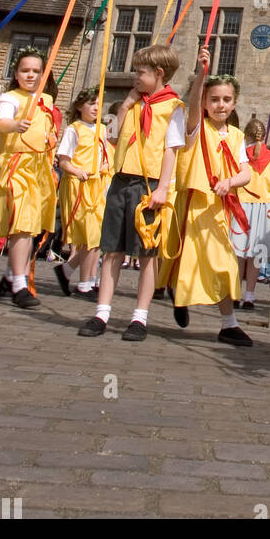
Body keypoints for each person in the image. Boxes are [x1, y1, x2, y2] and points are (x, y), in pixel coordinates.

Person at [78, 44, 184, 340]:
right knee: (112, 248)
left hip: (148, 186)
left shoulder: (173, 107)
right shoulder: (133, 103)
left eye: (140, 72)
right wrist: (125, 105)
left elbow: (170, 151)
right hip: (121, 181)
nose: (134, 76)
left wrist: (163, 187)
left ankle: (140, 317)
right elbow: (112, 136)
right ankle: (102, 312)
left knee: (147, 253)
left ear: (159, 74)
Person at [159, 52, 254, 345]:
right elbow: (192, 103)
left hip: (219, 209)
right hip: (194, 203)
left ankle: (221, 319)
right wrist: (202, 73)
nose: (220, 105)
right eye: (214, 100)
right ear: (204, 103)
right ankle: (227, 322)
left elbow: (246, 173)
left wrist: (229, 181)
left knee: (223, 263)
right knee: (199, 259)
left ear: (234, 103)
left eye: (226, 99)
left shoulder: (237, 136)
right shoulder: (197, 128)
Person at [0, 47, 58, 308]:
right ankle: (19, 284)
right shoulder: (11, 98)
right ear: (16, 73)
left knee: (30, 227)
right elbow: (1, 122)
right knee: (22, 225)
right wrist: (14, 125)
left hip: (37, 168)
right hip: (15, 167)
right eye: (25, 70)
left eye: (36, 71)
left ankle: (9, 278)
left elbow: (45, 130)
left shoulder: (45, 100)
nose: (30, 75)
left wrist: (51, 140)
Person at [54, 87, 111, 298]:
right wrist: (78, 171)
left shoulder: (102, 130)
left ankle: (69, 271)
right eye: (91, 103)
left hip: (97, 188)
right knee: (90, 236)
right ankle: (84, 284)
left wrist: (104, 165)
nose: (96, 107)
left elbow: (103, 156)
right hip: (79, 187)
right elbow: (64, 161)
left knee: (97, 237)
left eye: (98, 103)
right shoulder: (73, 129)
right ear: (80, 107)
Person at [231, 116, 270, 309]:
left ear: (246, 135)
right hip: (263, 208)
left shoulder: (240, 156)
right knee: (255, 254)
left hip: (242, 207)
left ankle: (235, 292)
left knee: (238, 253)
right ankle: (250, 296)